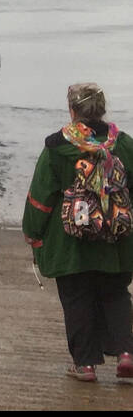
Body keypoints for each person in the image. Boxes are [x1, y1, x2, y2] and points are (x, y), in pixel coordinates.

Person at [22, 83, 133, 382]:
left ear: (73, 111)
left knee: (77, 299)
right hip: (116, 240)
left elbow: (41, 198)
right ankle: (127, 355)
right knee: (116, 294)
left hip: (71, 243)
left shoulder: (58, 147)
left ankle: (85, 366)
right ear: (102, 109)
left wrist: (32, 233)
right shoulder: (123, 144)